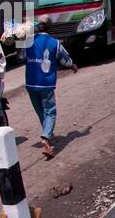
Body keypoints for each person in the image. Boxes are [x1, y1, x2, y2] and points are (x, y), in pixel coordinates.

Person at [24, 15, 76, 159]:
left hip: (30, 83)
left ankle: (48, 134)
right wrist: (72, 64)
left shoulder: (28, 41)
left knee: (41, 111)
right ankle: (46, 138)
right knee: (50, 111)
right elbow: (64, 59)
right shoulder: (54, 43)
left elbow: (22, 56)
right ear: (49, 27)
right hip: (46, 83)